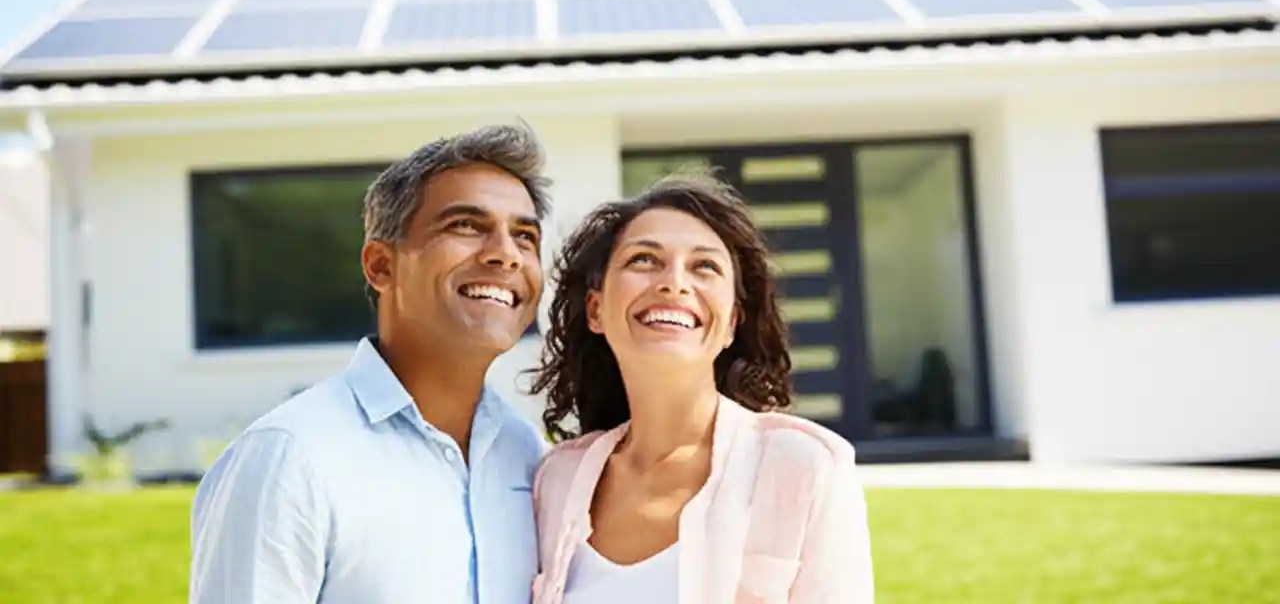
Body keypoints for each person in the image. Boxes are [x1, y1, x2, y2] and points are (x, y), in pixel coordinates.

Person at [190, 122, 551, 603]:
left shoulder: (529, 456)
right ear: (382, 266)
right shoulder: (289, 457)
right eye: (466, 226)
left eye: (525, 236)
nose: (506, 255)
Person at [528, 174, 874, 604]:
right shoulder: (556, 480)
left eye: (704, 266)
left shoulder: (802, 466)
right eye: (644, 260)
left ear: (731, 323)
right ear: (596, 309)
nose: (674, 282)